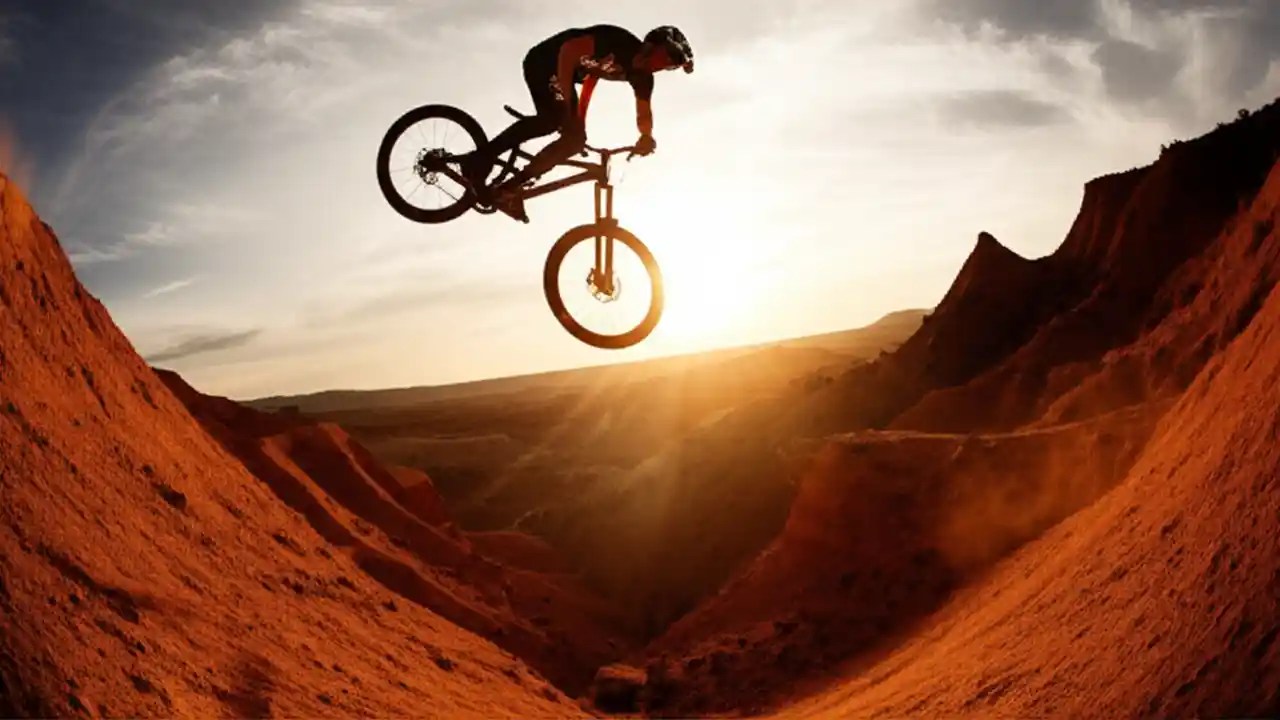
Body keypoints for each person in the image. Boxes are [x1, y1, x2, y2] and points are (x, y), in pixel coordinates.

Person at [464, 24, 694, 221]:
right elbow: (568, 52)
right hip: (545, 60)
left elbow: (634, 107)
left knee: (574, 140)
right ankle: (479, 160)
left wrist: (645, 136)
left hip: (566, 75)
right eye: (666, 57)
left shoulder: (642, 78)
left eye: (670, 66)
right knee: (550, 120)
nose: (663, 66)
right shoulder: (617, 40)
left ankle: (509, 190)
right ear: (652, 46)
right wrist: (567, 105)